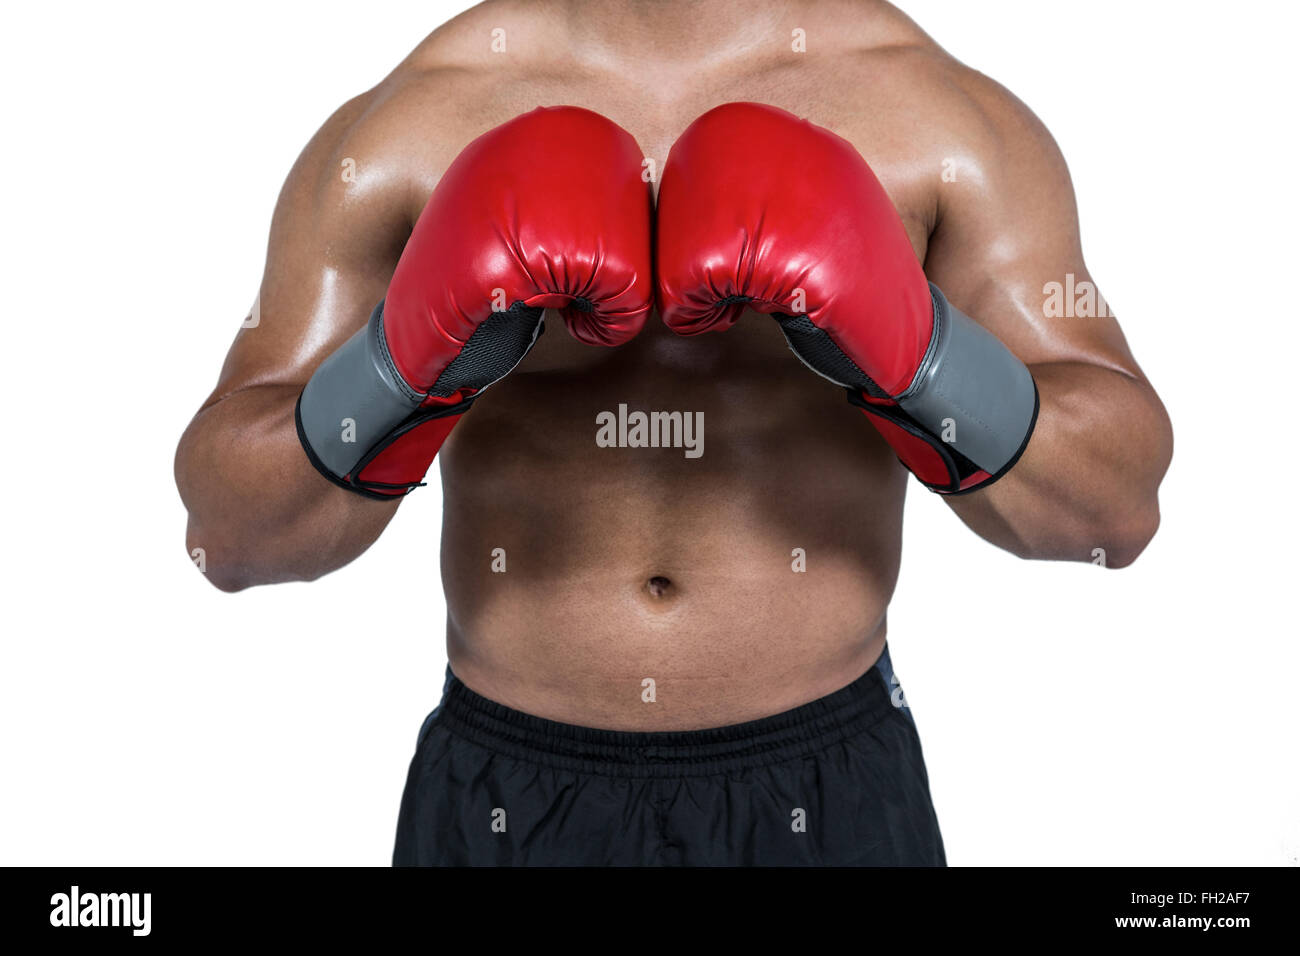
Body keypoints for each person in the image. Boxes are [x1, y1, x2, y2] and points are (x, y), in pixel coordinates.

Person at [174, 0, 1172, 865]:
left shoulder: (936, 118)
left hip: (825, 787)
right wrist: (400, 363)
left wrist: (919, 352)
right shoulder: (412, 123)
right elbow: (234, 534)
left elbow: (1111, 508)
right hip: (507, 793)